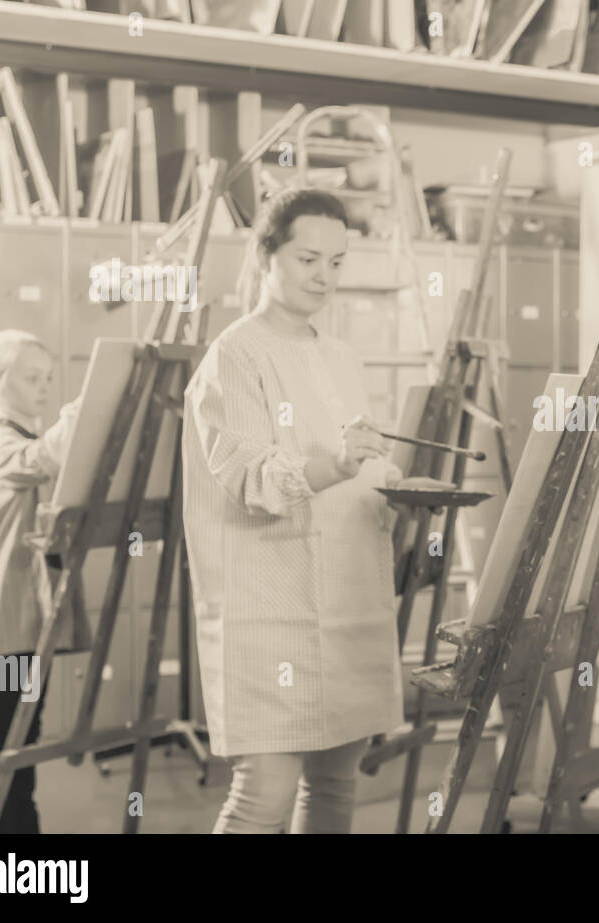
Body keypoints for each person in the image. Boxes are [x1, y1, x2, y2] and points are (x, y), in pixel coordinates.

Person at [182, 188, 406, 833]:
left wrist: (390, 481)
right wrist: (336, 466)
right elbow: (253, 478)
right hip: (265, 608)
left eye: (337, 262)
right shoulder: (234, 356)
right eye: (309, 258)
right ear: (265, 255)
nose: (324, 277)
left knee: (334, 788)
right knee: (263, 798)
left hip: (346, 599)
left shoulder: (338, 357)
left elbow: (356, 462)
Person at [0, 329, 86, 833]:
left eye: (48, 379)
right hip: (5, 613)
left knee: (24, 728)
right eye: (32, 378)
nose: (43, 388)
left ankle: (19, 828)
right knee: (5, 729)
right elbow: (39, 461)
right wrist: (85, 409)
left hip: (31, 613)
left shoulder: (26, 436)